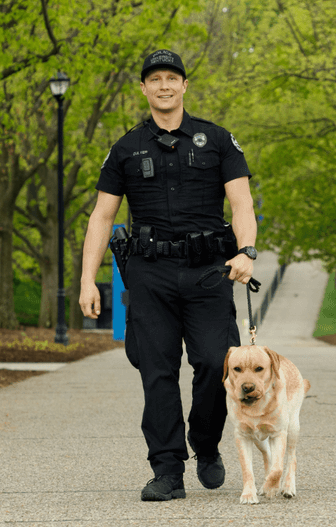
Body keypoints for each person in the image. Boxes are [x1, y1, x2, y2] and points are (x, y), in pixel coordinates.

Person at [79, 49, 259, 502]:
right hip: (149, 275)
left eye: (172, 78)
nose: (164, 85)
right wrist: (87, 279)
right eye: (155, 78)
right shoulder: (124, 148)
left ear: (184, 86)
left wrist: (247, 252)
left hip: (208, 274)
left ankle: (205, 442)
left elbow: (242, 204)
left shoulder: (218, 140)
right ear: (144, 88)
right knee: (157, 372)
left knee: (217, 363)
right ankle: (167, 471)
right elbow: (102, 216)